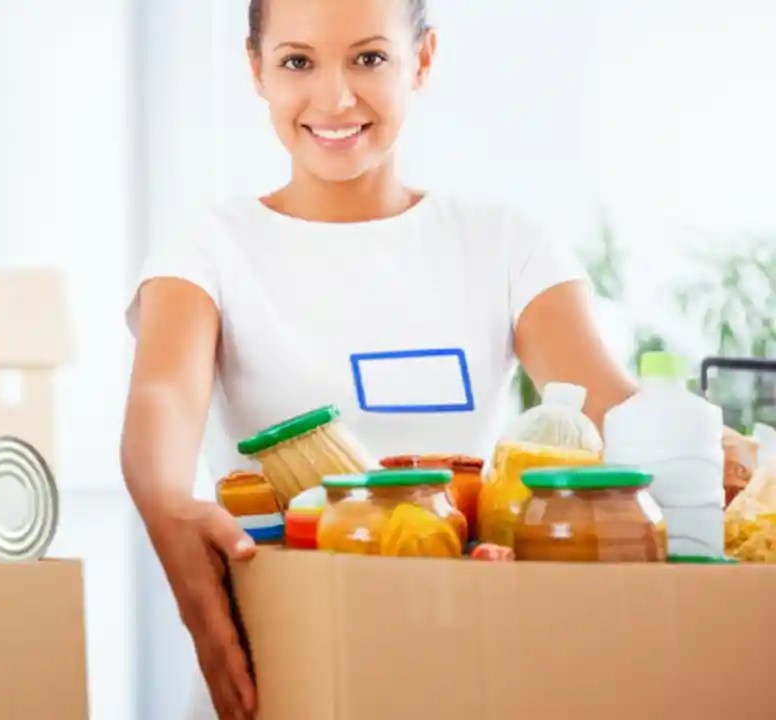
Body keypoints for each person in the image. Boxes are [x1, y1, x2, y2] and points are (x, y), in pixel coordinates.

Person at [121, 0, 746, 718]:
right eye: (298, 61)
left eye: (369, 57)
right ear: (256, 68)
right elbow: (162, 399)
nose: (335, 97)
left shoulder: (505, 243)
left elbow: (610, 407)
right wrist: (171, 502)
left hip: (466, 661)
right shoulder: (209, 248)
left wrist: (726, 459)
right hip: (288, 666)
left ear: (421, 61)